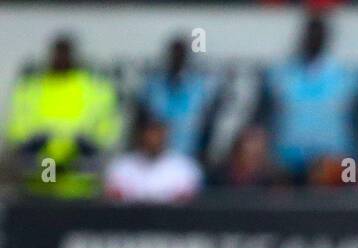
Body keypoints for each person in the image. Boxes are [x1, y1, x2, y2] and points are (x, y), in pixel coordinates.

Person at [5, 35, 122, 197]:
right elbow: (16, 130)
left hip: (81, 181)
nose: (61, 59)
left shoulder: (95, 89)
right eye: (58, 53)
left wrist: (81, 146)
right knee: (45, 197)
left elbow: (107, 131)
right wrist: (43, 145)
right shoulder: (30, 88)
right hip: (42, 178)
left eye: (65, 53)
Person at [255, 14, 358, 184]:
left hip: (332, 164)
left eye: (318, 33)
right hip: (288, 164)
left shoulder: (346, 77)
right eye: (310, 33)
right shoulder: (281, 75)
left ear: (326, 37)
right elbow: (264, 120)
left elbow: (357, 123)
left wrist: (354, 164)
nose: (313, 38)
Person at [137, 36, 224, 164]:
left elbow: (207, 123)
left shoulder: (199, 87)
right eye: (175, 54)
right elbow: (143, 120)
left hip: (190, 155)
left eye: (182, 55)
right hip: (156, 158)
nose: (178, 59)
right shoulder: (153, 86)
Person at [104, 112, 202, 203]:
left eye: (157, 132)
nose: (153, 138)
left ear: (165, 134)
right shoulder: (121, 166)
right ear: (140, 134)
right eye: (149, 132)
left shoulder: (185, 168)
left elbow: (187, 205)